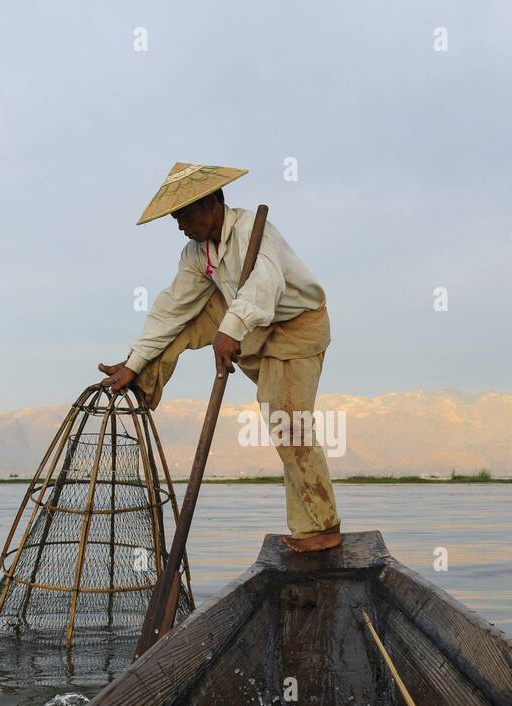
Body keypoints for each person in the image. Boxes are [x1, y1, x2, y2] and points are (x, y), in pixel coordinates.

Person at [99, 163, 341, 553]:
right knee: (182, 318)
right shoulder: (196, 254)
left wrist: (229, 330)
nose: (180, 224)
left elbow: (266, 285)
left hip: (295, 326)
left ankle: (321, 529)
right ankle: (141, 380)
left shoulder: (249, 230)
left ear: (212, 204)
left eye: (185, 214)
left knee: (287, 421)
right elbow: (172, 307)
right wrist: (134, 360)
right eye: (176, 217)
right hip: (249, 319)